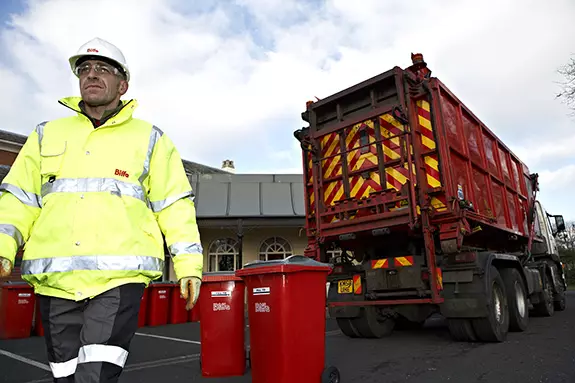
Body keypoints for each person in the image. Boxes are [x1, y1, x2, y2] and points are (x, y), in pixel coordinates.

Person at [0, 37, 204, 382]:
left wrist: (188, 265)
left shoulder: (151, 139)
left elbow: (174, 205)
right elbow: (18, 198)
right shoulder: (45, 134)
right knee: (63, 373)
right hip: (54, 280)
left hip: (118, 279)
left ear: (123, 85)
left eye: (104, 69)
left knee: (94, 374)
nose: (92, 75)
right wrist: (4, 248)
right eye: (85, 69)